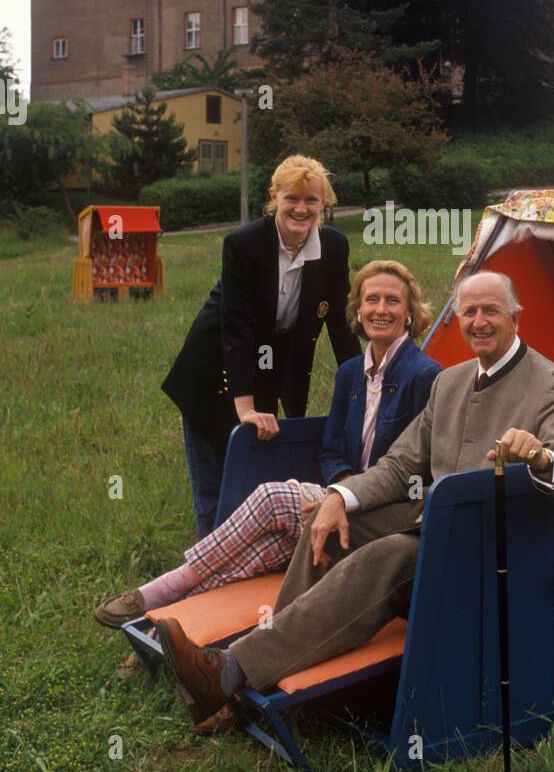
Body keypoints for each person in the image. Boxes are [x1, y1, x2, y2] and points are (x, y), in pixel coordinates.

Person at [154, 270, 554, 725]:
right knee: (322, 524)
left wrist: (544, 459)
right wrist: (339, 496)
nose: (479, 321)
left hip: (487, 546)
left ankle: (229, 672)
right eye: (469, 311)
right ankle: (260, 670)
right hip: (428, 522)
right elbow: (399, 464)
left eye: (491, 310)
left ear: (515, 317)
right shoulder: (450, 382)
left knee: (386, 556)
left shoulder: (551, 385)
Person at [96, 260, 441, 623]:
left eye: (392, 301)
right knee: (258, 554)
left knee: (273, 498)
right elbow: (332, 451)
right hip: (339, 498)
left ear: (409, 313)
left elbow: (418, 471)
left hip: (385, 512)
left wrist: (350, 498)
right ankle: (165, 626)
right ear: (358, 309)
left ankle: (164, 589)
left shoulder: (426, 376)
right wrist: (338, 490)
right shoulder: (350, 373)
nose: (380, 310)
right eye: (371, 300)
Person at [161, 155, 361, 538]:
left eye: (312, 200)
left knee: (256, 475)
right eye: (292, 198)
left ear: (324, 204)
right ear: (274, 197)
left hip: (266, 368)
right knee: (216, 483)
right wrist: (246, 408)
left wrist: (362, 390)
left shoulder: (334, 247)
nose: (301, 209)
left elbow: (340, 324)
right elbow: (237, 328)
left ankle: (251, 559)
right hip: (213, 366)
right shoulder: (243, 243)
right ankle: (208, 565)